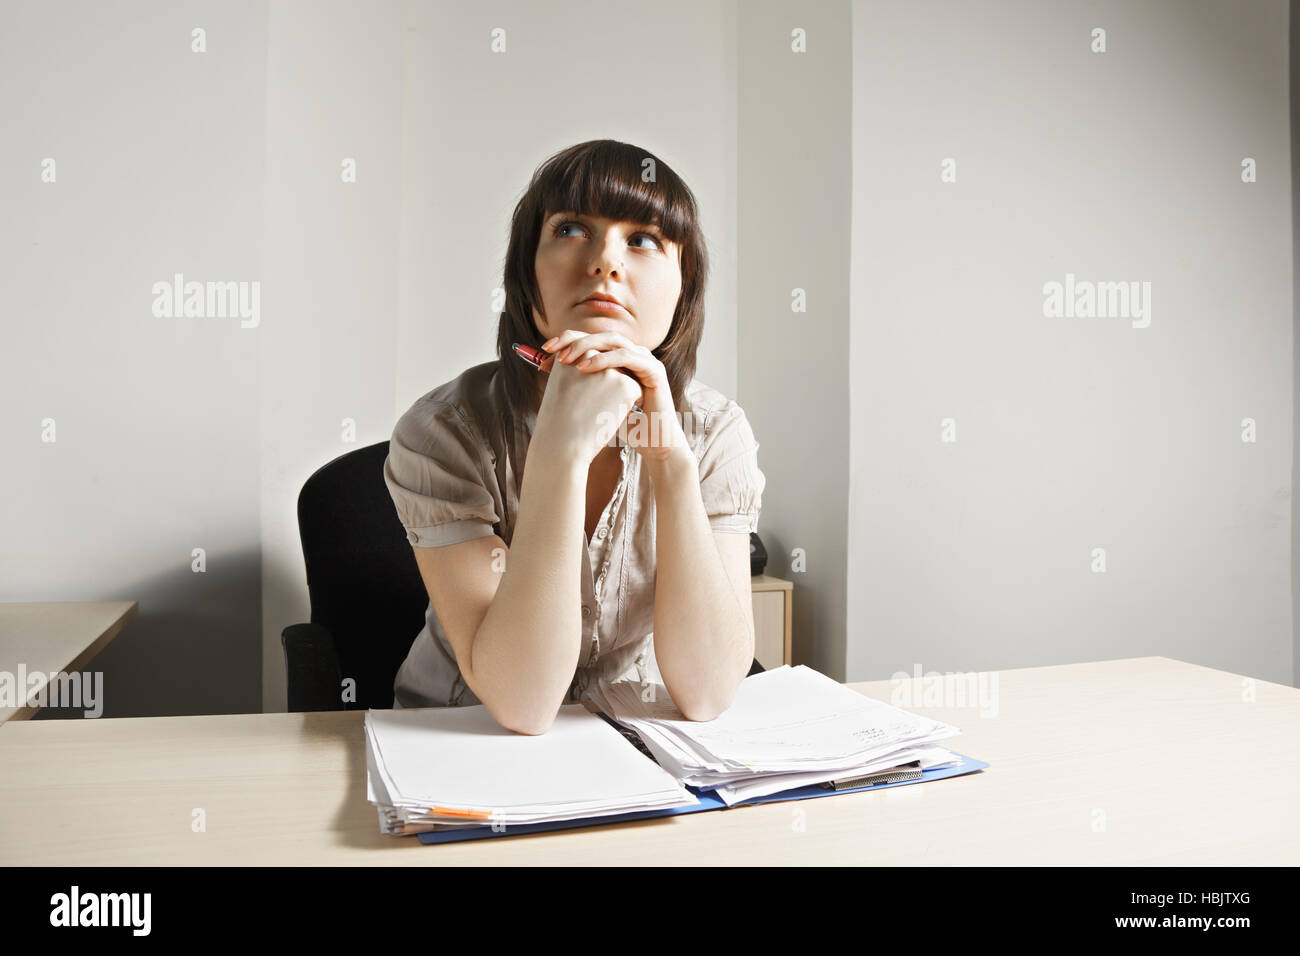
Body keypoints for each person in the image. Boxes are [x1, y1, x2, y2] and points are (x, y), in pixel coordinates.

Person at [383, 139, 765, 734]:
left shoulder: (715, 431)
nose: (605, 262)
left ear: (683, 288)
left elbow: (709, 693)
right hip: (463, 737)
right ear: (526, 278)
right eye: (570, 230)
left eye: (643, 239)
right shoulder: (441, 433)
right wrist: (561, 454)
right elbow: (522, 703)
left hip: (629, 740)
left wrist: (670, 459)